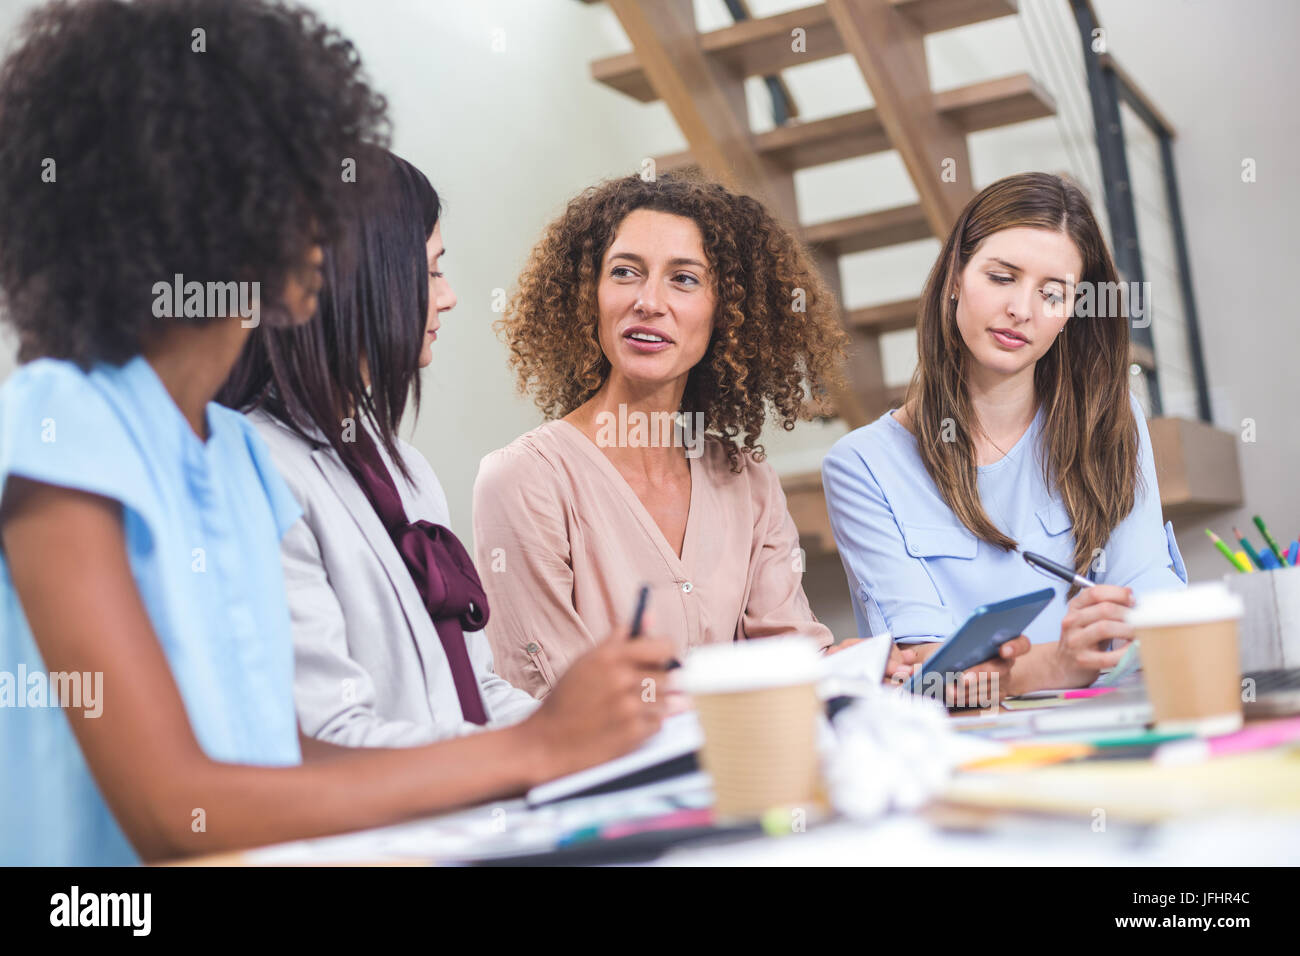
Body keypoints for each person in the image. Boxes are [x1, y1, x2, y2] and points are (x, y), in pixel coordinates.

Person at [0, 0, 670, 866]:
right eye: (304, 187)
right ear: (205, 213)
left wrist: (569, 735)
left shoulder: (230, 455)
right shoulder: (61, 426)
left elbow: (285, 760)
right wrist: (535, 750)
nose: (329, 225)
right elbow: (175, 808)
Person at [474, 173, 851, 698]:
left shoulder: (747, 480)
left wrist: (873, 664)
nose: (648, 301)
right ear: (590, 295)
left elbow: (792, 657)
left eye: (685, 279)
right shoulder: (525, 479)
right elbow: (554, 696)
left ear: (728, 313)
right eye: (625, 272)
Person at [821, 172, 1187, 697]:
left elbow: (1147, 594)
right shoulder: (863, 464)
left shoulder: (1113, 421)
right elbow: (926, 675)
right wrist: (1059, 663)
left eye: (1052, 293)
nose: (1021, 309)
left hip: (1111, 725)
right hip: (968, 755)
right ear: (954, 276)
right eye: (1001, 277)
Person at [221, 148, 541, 745]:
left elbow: (474, 694)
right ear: (361, 281)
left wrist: (582, 726)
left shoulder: (407, 470)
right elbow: (329, 736)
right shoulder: (256, 469)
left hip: (469, 803)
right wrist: (530, 752)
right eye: (432, 269)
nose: (447, 297)